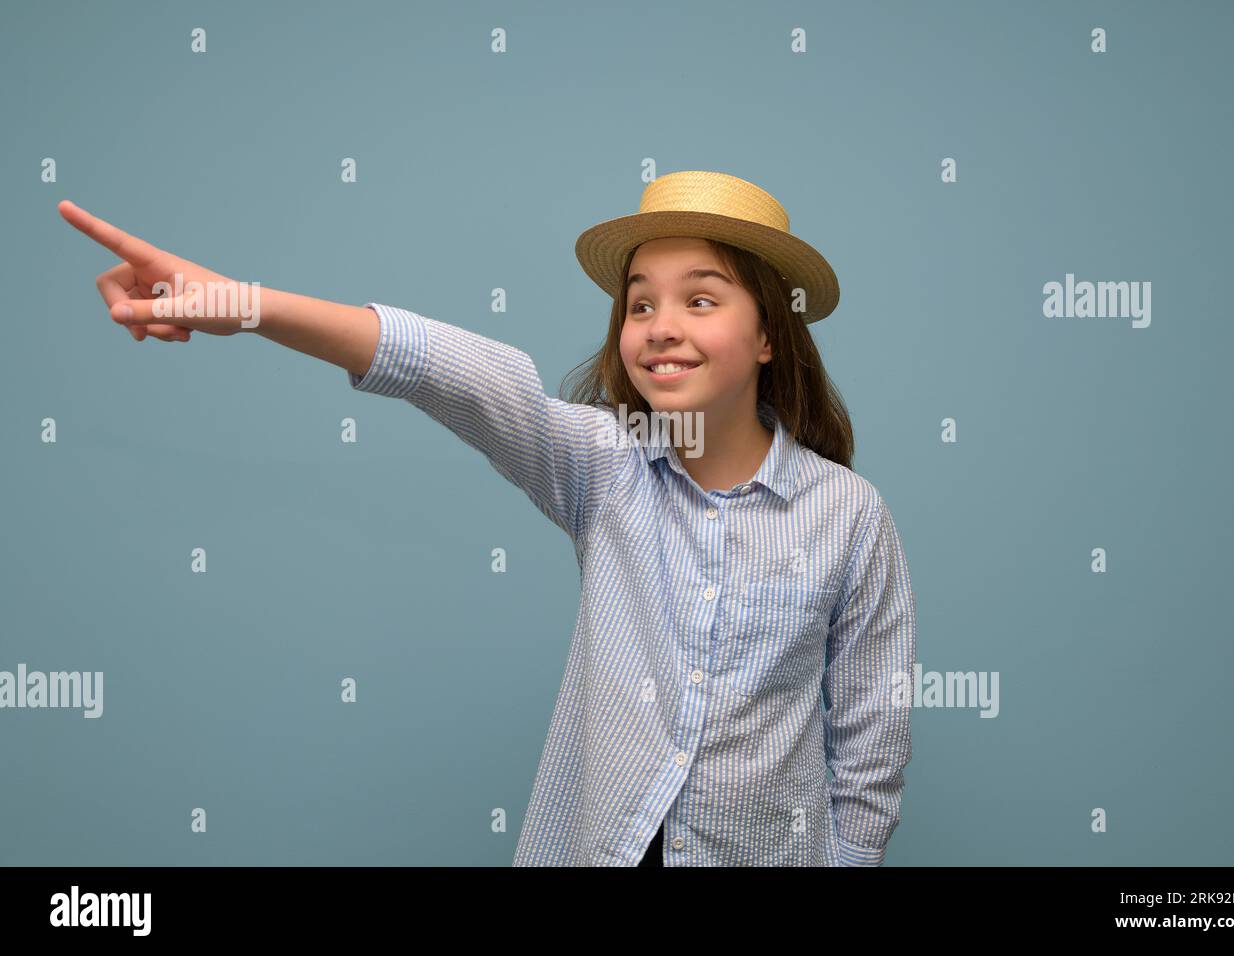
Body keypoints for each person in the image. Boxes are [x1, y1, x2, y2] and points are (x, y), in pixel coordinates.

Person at [57, 170, 917, 866]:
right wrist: (243, 304)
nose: (659, 327)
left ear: (770, 334)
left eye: (701, 299)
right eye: (640, 303)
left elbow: (870, 745)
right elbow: (454, 373)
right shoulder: (607, 466)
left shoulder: (848, 517)